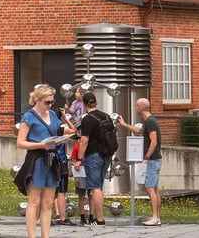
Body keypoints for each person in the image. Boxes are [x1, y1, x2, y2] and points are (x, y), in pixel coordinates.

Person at [13, 84, 63, 238]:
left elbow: (57, 132)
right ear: (37, 100)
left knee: (48, 202)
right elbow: (20, 142)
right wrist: (41, 145)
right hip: (37, 160)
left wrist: (62, 139)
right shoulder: (28, 117)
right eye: (47, 102)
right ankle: (32, 236)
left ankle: (45, 236)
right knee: (34, 200)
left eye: (51, 102)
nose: (49, 105)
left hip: (52, 159)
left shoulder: (53, 115)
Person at [117, 98, 162, 226]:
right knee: (154, 188)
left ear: (141, 107)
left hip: (152, 160)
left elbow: (153, 141)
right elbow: (139, 131)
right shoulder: (147, 121)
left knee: (149, 188)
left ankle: (155, 218)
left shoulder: (150, 122)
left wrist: (146, 157)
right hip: (154, 159)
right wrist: (124, 125)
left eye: (137, 106)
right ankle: (157, 216)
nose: (136, 108)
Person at [75, 91, 112, 226]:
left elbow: (84, 140)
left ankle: (100, 219)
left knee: (95, 187)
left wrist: (79, 158)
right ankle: (97, 216)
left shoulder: (87, 119)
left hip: (93, 155)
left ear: (84, 105)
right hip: (106, 155)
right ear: (96, 102)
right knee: (99, 186)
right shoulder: (107, 117)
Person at [52, 106, 76, 226]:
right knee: (61, 191)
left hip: (49, 161)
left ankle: (49, 215)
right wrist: (66, 118)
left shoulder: (46, 129)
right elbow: (74, 130)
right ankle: (62, 217)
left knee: (50, 190)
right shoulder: (60, 129)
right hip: (60, 162)